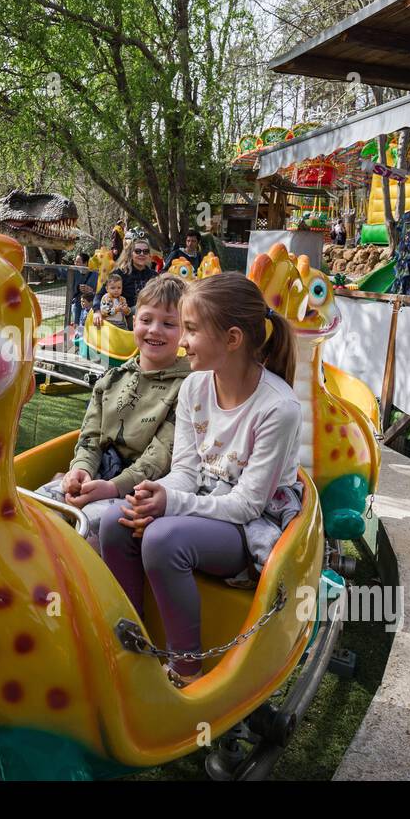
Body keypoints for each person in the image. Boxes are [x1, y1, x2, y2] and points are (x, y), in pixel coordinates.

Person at [97, 273, 303, 687]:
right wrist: (154, 496)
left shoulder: (277, 408)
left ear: (231, 339)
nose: (183, 341)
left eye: (190, 329)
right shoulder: (194, 387)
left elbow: (247, 505)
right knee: (115, 521)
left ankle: (186, 670)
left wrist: (170, 506)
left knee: (161, 538)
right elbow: (188, 472)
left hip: (249, 524)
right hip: (208, 503)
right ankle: (131, 649)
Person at [38, 275, 192, 548]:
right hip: (97, 475)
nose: (155, 330)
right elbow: (90, 436)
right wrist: (81, 470)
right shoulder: (110, 380)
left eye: (169, 324)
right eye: (146, 320)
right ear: (134, 322)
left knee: (89, 526)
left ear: (185, 332)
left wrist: (113, 487)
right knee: (37, 506)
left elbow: (161, 454)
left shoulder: (187, 388)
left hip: (139, 490)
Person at [94, 230, 158, 324]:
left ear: (149, 255)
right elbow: (99, 294)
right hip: (127, 314)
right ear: (131, 254)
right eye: (137, 251)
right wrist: (97, 311)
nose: (141, 254)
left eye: (145, 251)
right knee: (142, 310)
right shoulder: (120, 273)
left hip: (152, 314)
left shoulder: (154, 276)